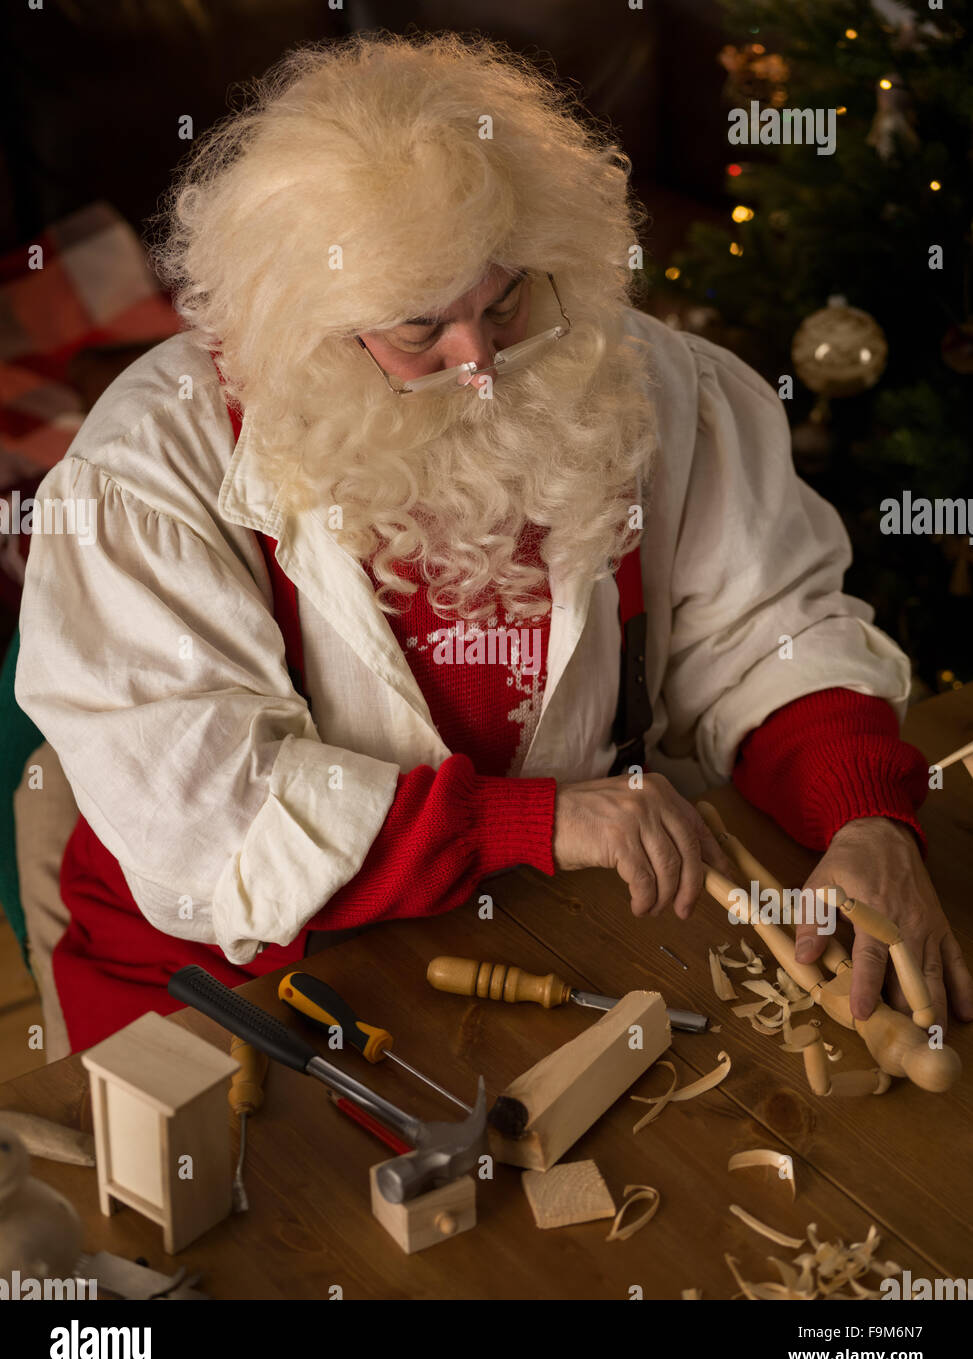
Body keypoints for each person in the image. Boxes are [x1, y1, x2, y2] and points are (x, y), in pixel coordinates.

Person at [15, 33, 972, 1055]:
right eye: (418, 329)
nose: (481, 365)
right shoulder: (144, 475)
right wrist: (532, 821)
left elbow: (769, 626)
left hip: (545, 914)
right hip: (232, 976)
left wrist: (864, 811)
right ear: (308, 328)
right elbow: (210, 830)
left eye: (504, 299)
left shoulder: (647, 380)